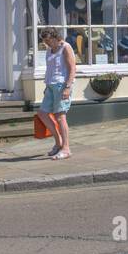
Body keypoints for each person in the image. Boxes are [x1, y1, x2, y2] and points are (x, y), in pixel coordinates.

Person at [37, 28, 76, 160]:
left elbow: (72, 68)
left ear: (55, 37)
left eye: (48, 40)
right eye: (45, 41)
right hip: (51, 86)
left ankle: (66, 148)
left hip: (61, 85)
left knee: (60, 116)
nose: (47, 43)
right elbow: (50, 69)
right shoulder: (49, 50)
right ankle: (58, 142)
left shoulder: (65, 47)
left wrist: (68, 87)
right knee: (42, 113)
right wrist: (47, 85)